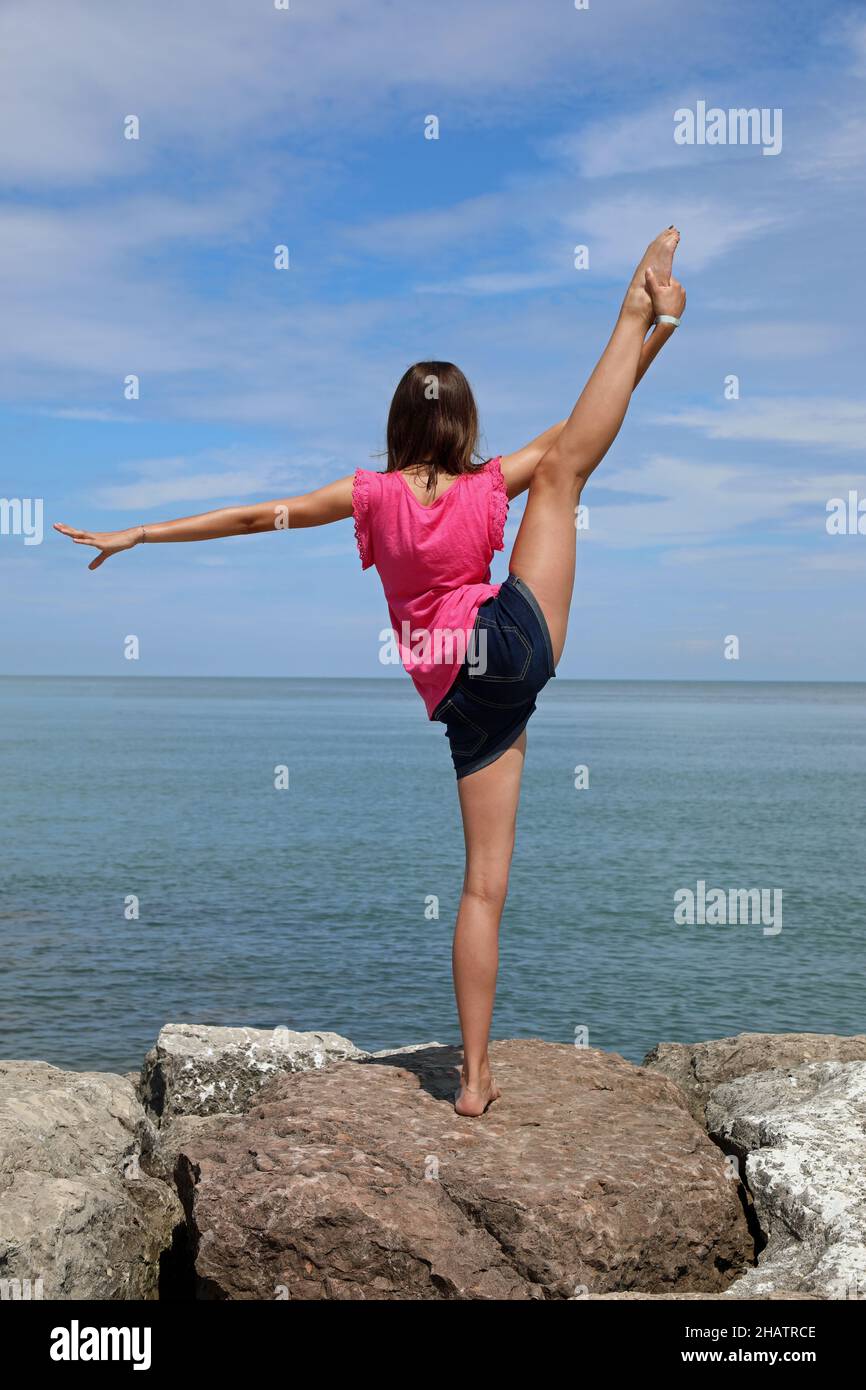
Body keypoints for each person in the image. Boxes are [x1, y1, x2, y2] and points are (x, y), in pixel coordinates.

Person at [56, 229, 686, 1116]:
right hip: (514, 644)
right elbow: (580, 433)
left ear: (398, 423)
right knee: (565, 469)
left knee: (480, 887)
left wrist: (140, 534)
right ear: (463, 424)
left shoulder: (368, 496)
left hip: (461, 693)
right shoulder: (484, 484)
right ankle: (630, 311)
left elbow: (249, 519)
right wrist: (653, 339)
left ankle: (473, 1082)